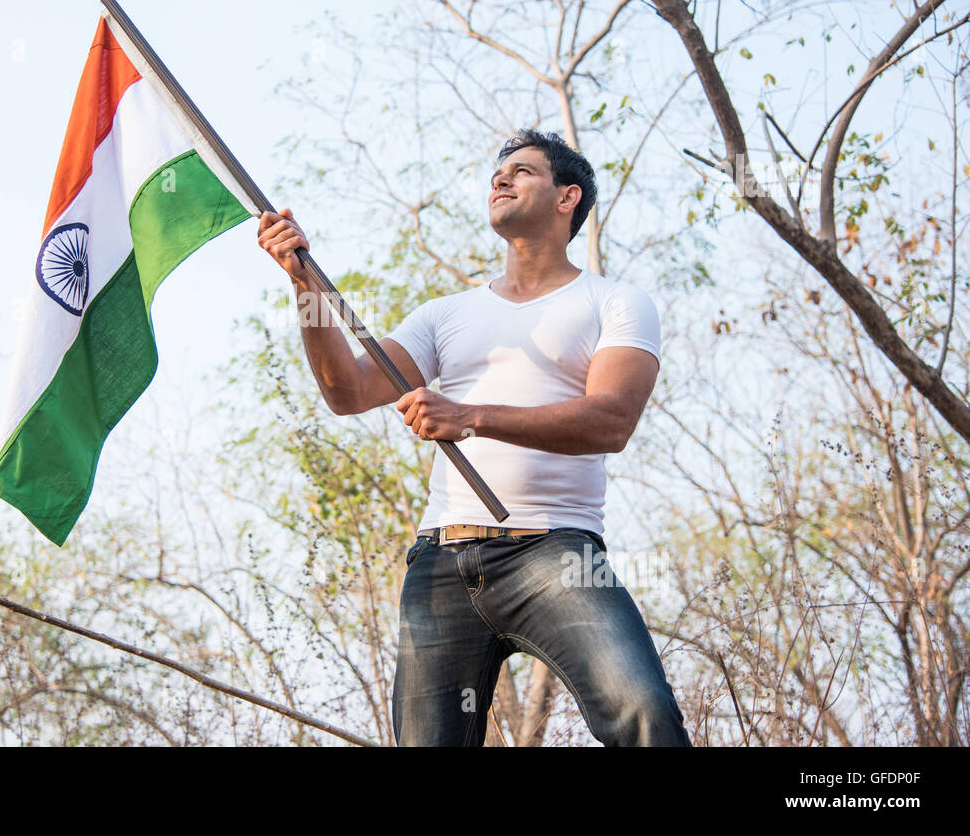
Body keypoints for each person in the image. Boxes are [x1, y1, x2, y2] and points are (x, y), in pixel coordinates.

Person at [256, 128, 690, 747]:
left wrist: (471, 415)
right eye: (497, 172)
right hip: (441, 563)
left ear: (569, 198)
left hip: (557, 555)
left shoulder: (614, 301)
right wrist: (304, 285)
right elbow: (347, 392)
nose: (501, 178)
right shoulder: (445, 314)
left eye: (522, 171)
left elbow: (612, 421)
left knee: (644, 711)